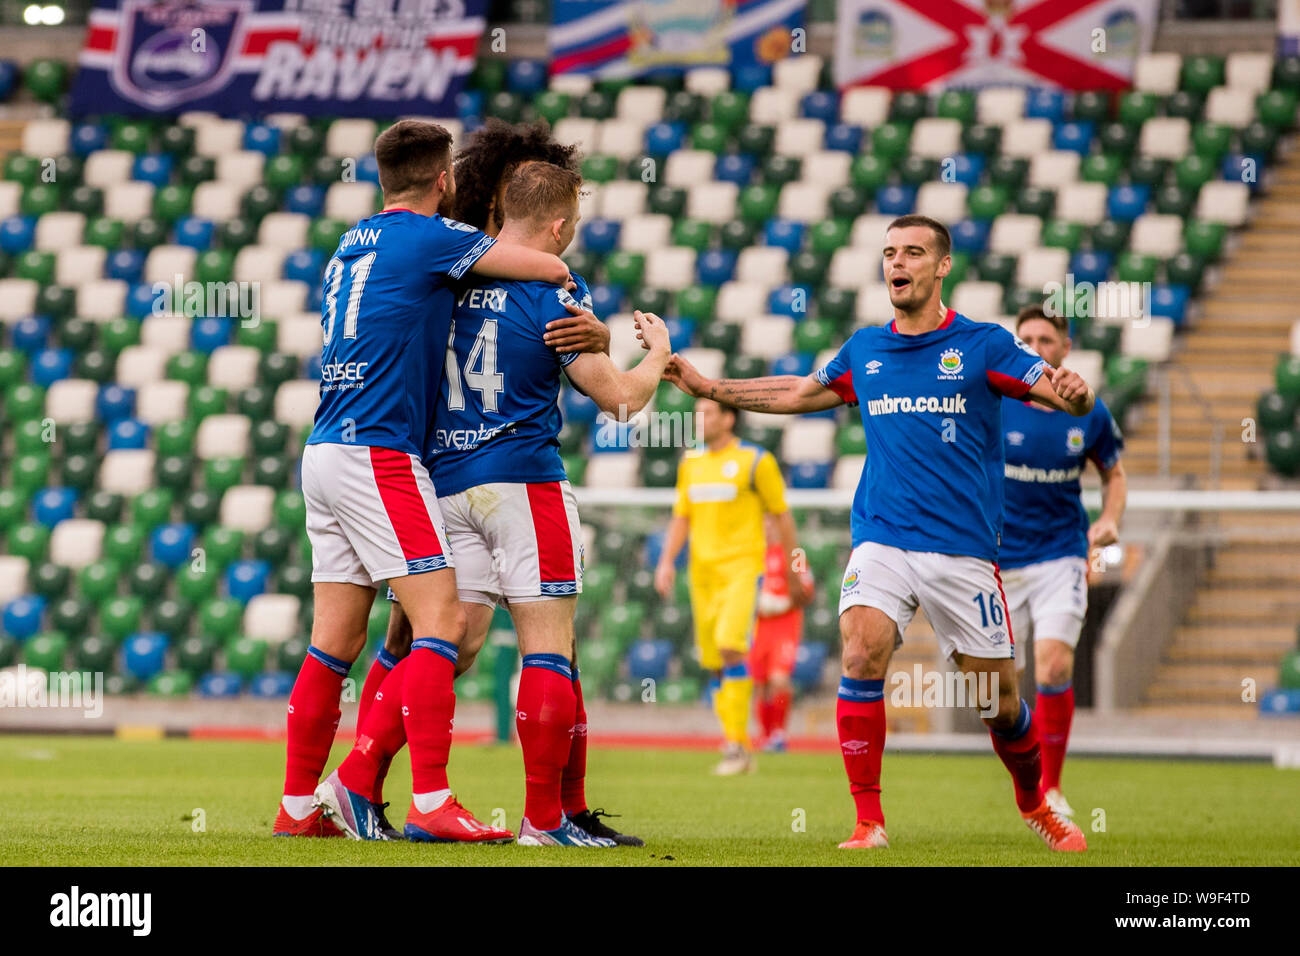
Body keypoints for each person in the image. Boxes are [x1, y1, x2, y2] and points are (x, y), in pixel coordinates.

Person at [663, 214, 1092, 852]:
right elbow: (797, 393)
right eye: (890, 252)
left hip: (963, 551)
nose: (899, 262)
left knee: (997, 702)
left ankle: (1035, 801)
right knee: (860, 649)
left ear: (942, 266)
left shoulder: (984, 345)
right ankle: (868, 822)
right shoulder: (865, 349)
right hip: (882, 536)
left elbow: (1060, 397)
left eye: (914, 252)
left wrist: (1077, 396)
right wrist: (707, 385)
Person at [327, 162, 667, 845]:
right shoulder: (553, 290)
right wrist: (655, 354)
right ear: (561, 225)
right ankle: (546, 820)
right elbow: (621, 401)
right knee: (548, 650)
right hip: (522, 481)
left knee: (446, 641)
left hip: (443, 484)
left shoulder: (445, 281)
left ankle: (358, 778)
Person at [276, 119, 570, 841]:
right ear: (443, 181)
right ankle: (432, 802)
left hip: (323, 449)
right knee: (442, 623)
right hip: (379, 450)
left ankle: (297, 807)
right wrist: (566, 280)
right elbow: (541, 265)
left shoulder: (352, 243)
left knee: (333, 640)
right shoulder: (432, 237)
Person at [1000, 304, 1126, 818]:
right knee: (1002, 687)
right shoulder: (1000, 401)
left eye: (1044, 339)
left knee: (1054, 665)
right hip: (999, 560)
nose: (1034, 347)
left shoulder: (1089, 411)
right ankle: (1025, 779)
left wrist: (1110, 517)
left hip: (1061, 554)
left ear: (1065, 347)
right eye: (1024, 339)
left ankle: (1051, 789)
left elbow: (1113, 474)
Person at [654, 399, 808, 775]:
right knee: (716, 665)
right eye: (697, 414)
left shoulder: (756, 461)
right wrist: (665, 562)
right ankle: (735, 743)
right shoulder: (691, 463)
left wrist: (792, 569)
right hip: (701, 576)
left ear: (729, 417)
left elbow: (782, 517)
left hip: (742, 571)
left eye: (708, 413)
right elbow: (681, 516)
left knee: (730, 647)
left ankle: (738, 747)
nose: (700, 420)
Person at [751, 514, 814, 752]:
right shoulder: (753, 555)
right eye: (763, 525)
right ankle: (765, 736)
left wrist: (781, 602)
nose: (767, 530)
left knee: (779, 679)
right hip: (759, 626)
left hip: (785, 626)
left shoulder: (795, 555)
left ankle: (778, 733)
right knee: (761, 684)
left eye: (771, 525)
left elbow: (807, 591)